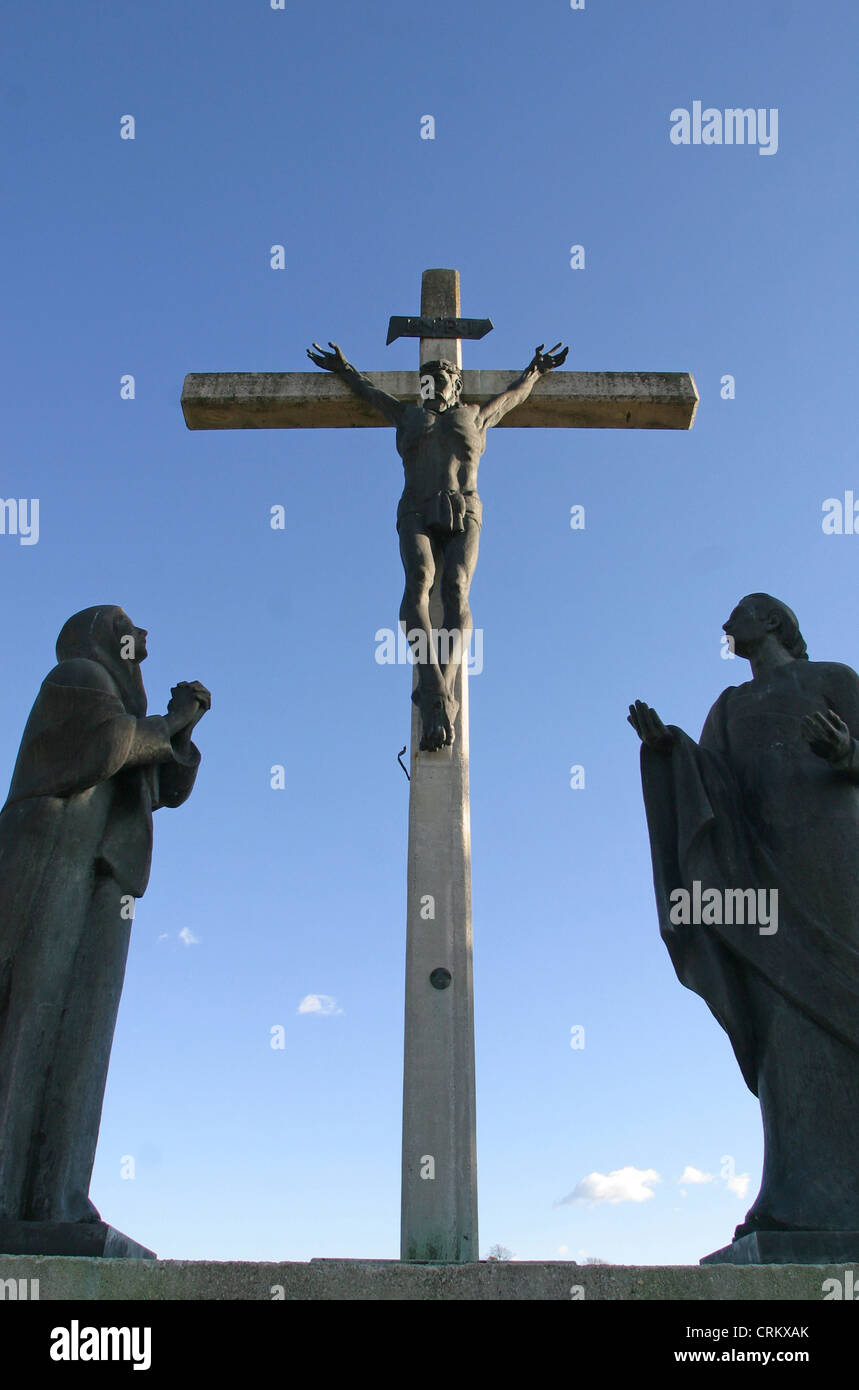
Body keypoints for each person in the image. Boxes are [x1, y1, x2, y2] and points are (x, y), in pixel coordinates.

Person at [629, 594, 859, 1240]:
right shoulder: (726, 710)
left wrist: (845, 753)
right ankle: (796, 1198)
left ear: (776, 623)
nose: (729, 626)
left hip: (835, 866)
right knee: (781, 1019)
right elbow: (710, 785)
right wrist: (667, 750)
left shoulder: (834, 681)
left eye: (743, 614)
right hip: (761, 879)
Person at [0, 606, 209, 1224]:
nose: (143, 636)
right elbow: (109, 748)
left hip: (102, 872)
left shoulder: (115, 698)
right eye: (128, 626)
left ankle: (55, 1196)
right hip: (53, 856)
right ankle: (9, 1191)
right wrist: (168, 721)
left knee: (82, 1034)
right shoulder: (79, 677)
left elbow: (161, 789)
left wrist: (183, 732)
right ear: (100, 633)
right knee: (30, 1014)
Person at [307, 339, 567, 750]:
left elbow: (514, 396)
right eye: (427, 380)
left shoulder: (475, 416)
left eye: (442, 378)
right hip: (416, 507)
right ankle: (437, 691)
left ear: (456, 384)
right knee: (419, 582)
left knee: (456, 587)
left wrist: (535, 370)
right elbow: (370, 394)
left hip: (464, 508)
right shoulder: (407, 417)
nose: (434, 384)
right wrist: (344, 368)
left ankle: (437, 693)